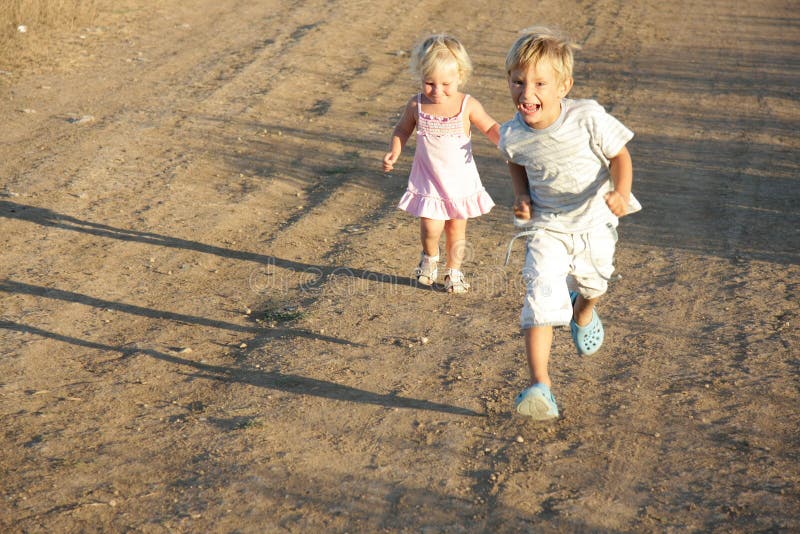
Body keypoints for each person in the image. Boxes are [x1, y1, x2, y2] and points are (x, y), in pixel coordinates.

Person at [498, 27, 641, 420]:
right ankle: (539, 385)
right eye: (518, 82)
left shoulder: (588, 117)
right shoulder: (512, 133)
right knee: (540, 294)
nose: (527, 93)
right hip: (547, 226)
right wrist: (521, 194)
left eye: (540, 83)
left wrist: (621, 193)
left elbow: (620, 156)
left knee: (597, 281)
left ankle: (582, 311)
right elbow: (515, 159)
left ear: (564, 86)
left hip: (595, 218)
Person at [383, 34, 500, 293]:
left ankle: (453, 272)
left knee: (456, 230)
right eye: (429, 83)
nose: (437, 91)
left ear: (460, 75)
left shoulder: (467, 105)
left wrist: (507, 141)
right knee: (430, 227)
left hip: (459, 182)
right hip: (429, 180)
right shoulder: (417, 104)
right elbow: (402, 129)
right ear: (420, 77)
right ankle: (429, 257)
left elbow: (490, 127)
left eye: (445, 84)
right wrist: (394, 151)